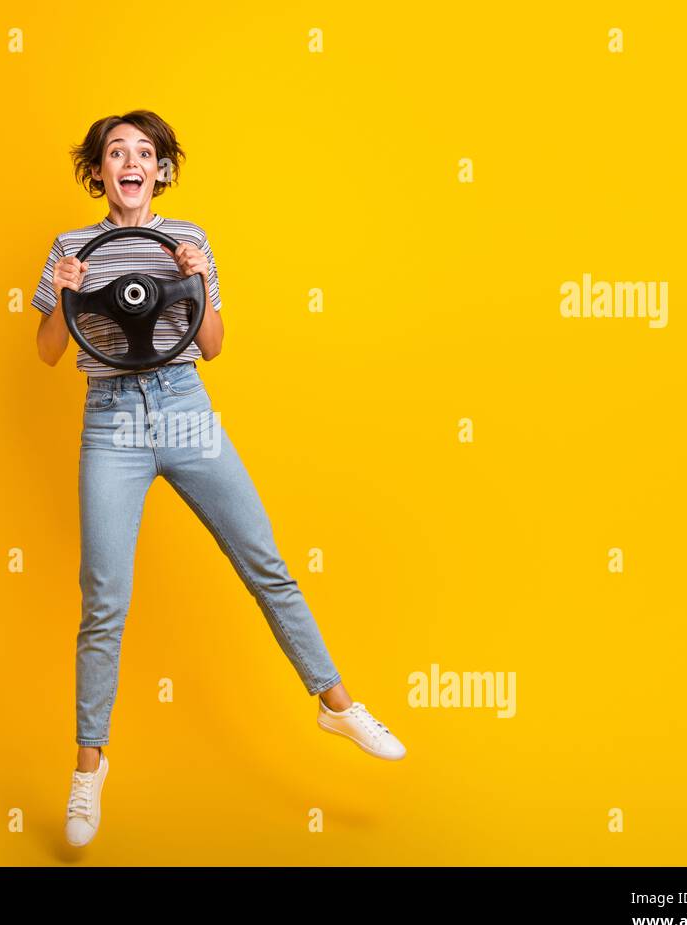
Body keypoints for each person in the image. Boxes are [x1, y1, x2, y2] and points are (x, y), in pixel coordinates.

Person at [31, 110, 407, 849]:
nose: (131, 162)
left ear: (161, 170)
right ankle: (88, 767)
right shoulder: (70, 248)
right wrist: (68, 293)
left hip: (184, 410)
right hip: (110, 421)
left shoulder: (188, 241)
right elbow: (46, 351)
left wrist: (197, 280)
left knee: (265, 562)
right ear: (98, 173)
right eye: (116, 153)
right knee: (104, 598)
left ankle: (336, 703)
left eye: (145, 152)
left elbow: (213, 345)